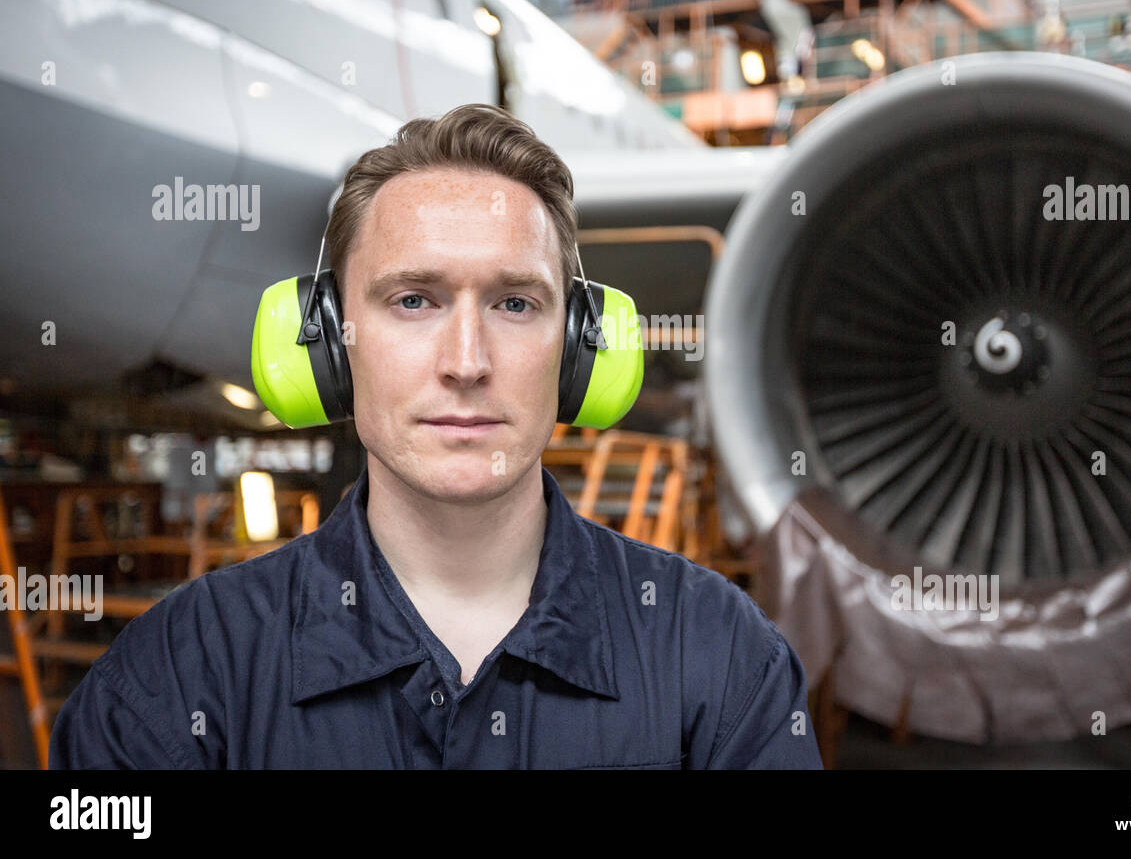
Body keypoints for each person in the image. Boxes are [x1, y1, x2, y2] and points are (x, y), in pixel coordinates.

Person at [49, 103, 823, 769]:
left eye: (515, 304)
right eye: (413, 300)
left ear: (584, 346)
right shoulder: (178, 673)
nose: (466, 363)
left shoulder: (723, 657)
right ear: (323, 342)